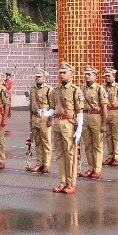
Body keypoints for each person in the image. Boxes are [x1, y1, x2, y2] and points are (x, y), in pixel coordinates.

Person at [49, 63, 83, 193]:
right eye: (60, 72)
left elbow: (79, 111)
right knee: (59, 154)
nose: (62, 75)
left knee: (70, 155)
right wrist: (45, 113)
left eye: (64, 72)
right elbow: (53, 108)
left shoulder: (75, 90)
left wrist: (79, 129)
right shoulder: (56, 91)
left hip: (69, 123)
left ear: (71, 74)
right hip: (58, 123)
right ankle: (62, 182)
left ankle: (70, 183)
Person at [78, 66, 108, 178]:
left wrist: (104, 124)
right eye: (86, 74)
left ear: (95, 76)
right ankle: (90, 168)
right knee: (88, 145)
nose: (87, 76)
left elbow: (104, 108)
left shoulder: (100, 89)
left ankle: (97, 169)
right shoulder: (81, 89)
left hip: (96, 117)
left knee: (97, 145)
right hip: (85, 117)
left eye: (89, 74)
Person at [27, 69, 53, 174]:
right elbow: (31, 105)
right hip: (35, 117)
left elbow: (52, 106)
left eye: (39, 77)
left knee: (46, 142)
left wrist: (51, 119)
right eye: (36, 77)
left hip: (44, 118)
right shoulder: (32, 89)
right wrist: (30, 119)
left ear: (44, 78)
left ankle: (46, 164)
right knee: (37, 142)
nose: (37, 78)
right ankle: (39, 163)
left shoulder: (48, 89)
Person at [102, 67, 118, 168]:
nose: (107, 78)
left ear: (114, 76)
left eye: (109, 76)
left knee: (116, 136)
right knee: (108, 136)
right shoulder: (102, 87)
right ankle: (110, 156)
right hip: (106, 112)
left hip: (115, 112)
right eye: (106, 76)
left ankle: (116, 157)